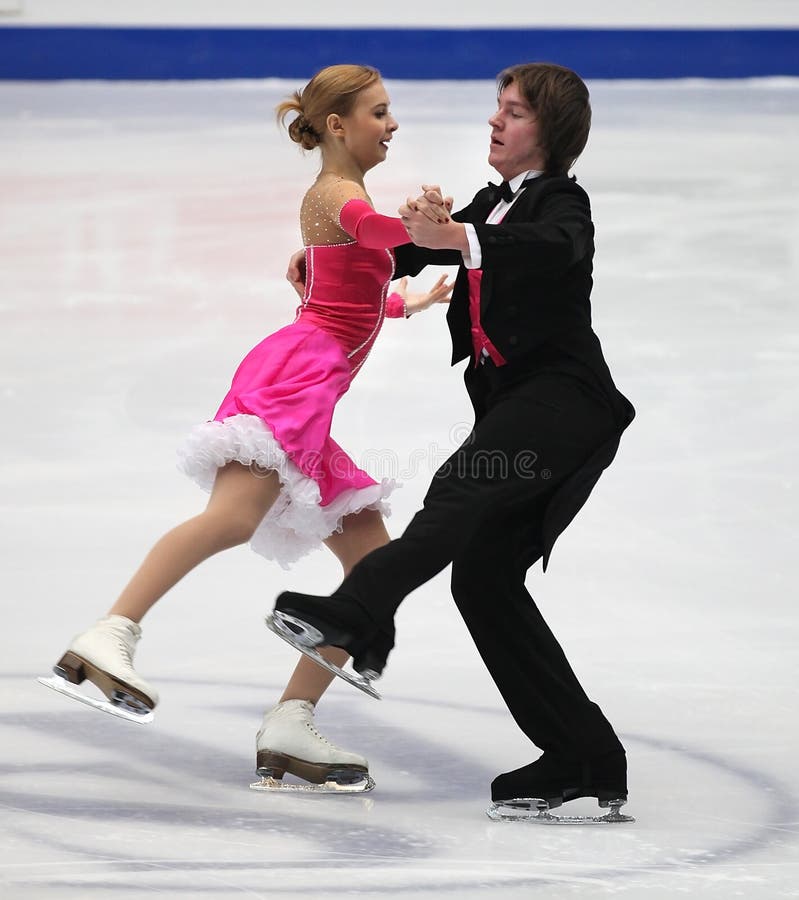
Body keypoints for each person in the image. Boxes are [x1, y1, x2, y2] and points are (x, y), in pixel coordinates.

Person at [42, 64, 452, 791]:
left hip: (310, 387)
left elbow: (340, 296)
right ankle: (111, 633)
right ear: (337, 125)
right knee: (233, 518)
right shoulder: (337, 193)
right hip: (293, 379)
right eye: (379, 113)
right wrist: (428, 228)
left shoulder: (344, 197)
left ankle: (292, 720)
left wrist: (403, 305)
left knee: (370, 565)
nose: (391, 125)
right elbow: (376, 232)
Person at [272, 62, 636, 818]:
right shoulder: (489, 207)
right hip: (518, 405)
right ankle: (582, 753)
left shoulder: (559, 203)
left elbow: (550, 248)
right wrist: (333, 260)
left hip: (564, 404)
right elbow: (408, 251)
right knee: (481, 578)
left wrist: (459, 233)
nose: (495, 123)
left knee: (454, 497)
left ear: (551, 131)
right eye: (496, 109)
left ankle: (351, 619)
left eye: (513, 113)